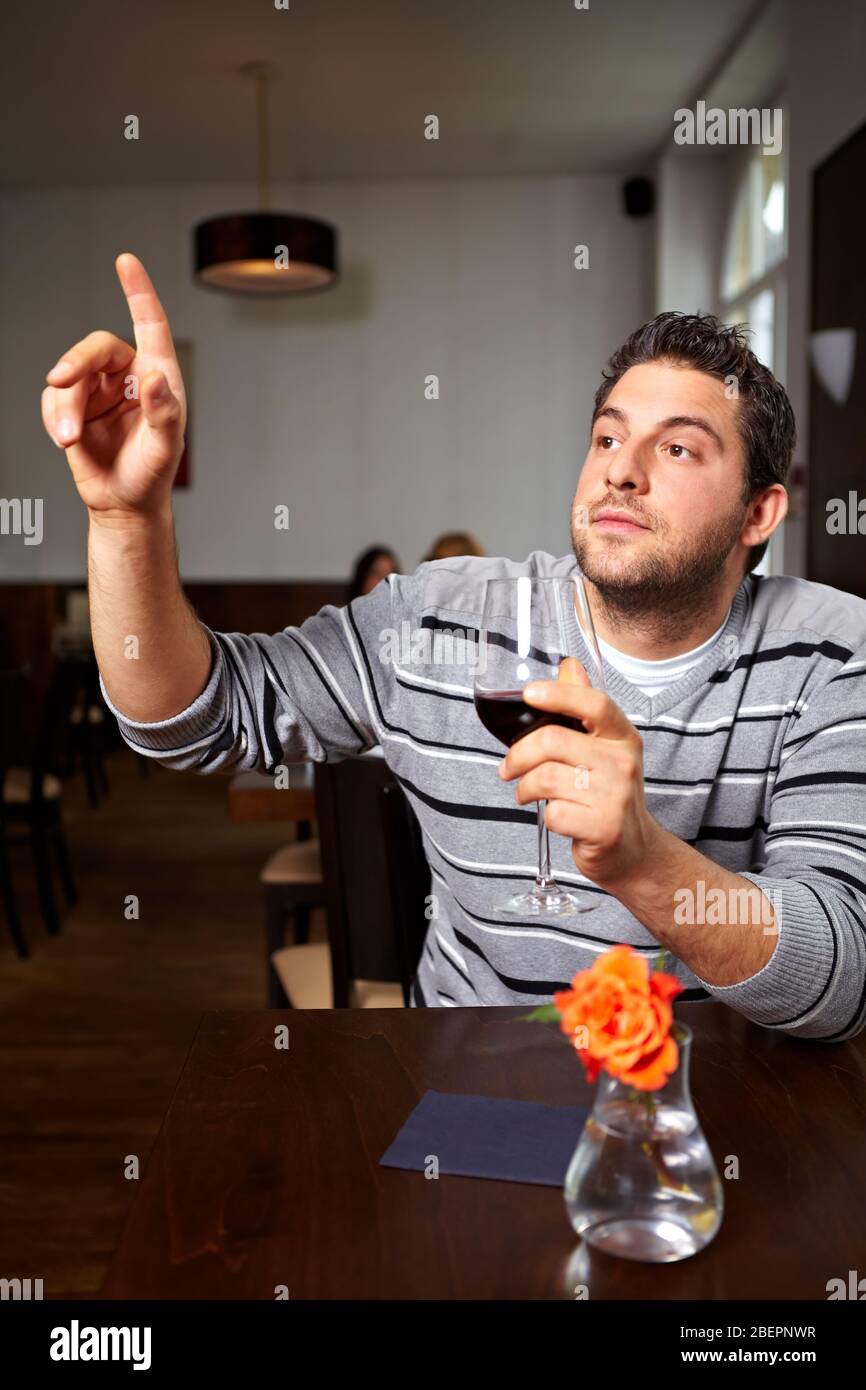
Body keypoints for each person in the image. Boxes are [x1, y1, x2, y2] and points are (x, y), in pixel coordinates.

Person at [41, 253, 866, 1040]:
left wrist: (644, 861)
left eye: (678, 448)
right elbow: (196, 721)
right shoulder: (440, 617)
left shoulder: (829, 654)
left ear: (759, 514)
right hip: (471, 1084)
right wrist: (126, 520)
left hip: (708, 1105)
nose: (622, 471)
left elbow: (841, 979)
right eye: (608, 439)